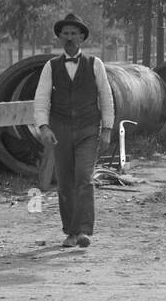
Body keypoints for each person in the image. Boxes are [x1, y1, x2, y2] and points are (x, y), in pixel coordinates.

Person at [33, 13, 115, 249]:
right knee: (66, 182)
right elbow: (41, 99)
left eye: (74, 34)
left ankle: (84, 230)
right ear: (59, 37)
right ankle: (71, 231)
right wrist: (44, 127)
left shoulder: (95, 65)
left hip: (88, 129)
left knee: (84, 177)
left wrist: (107, 129)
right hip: (60, 131)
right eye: (65, 34)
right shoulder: (50, 67)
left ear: (82, 38)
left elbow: (106, 98)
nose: (69, 38)